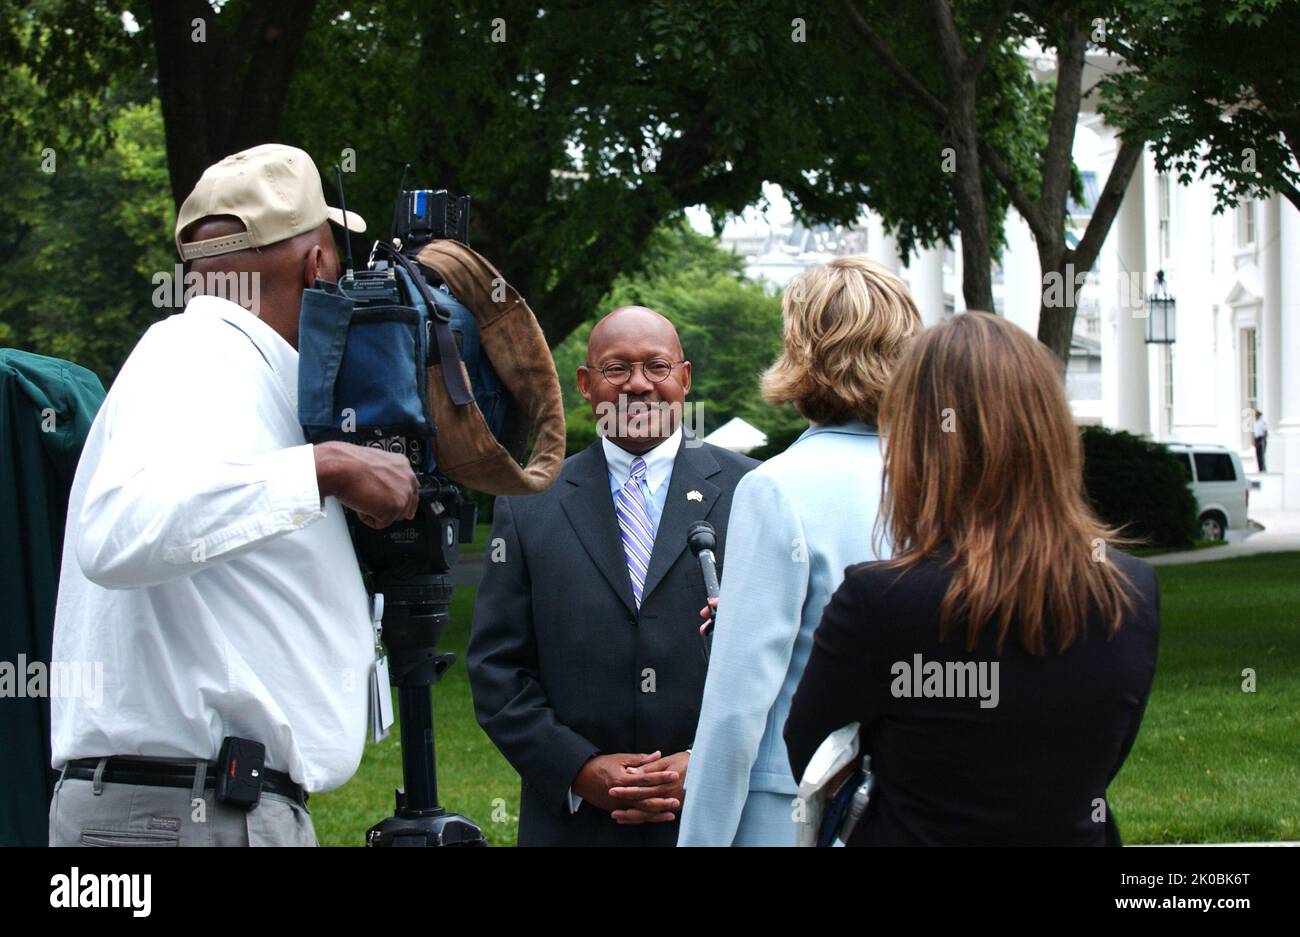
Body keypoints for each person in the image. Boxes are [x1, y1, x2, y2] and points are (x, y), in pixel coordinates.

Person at [48, 144, 421, 847]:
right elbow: (118, 531)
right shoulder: (198, 354)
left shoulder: (235, 368)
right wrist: (325, 467)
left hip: (193, 807)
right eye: (337, 255)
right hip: (186, 813)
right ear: (316, 264)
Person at [784, 312, 1161, 846]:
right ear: (1052, 432)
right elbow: (1107, 750)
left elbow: (812, 748)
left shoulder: (880, 599)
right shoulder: (1131, 589)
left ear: (919, 443)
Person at [468, 306, 757, 845]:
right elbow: (496, 669)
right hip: (574, 824)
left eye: (657, 367)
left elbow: (781, 661)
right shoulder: (529, 504)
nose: (639, 386)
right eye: (617, 369)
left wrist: (709, 761)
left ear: (685, 378)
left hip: (717, 818)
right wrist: (578, 769)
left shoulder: (755, 493)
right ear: (585, 383)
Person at [677, 256, 921, 847]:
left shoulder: (777, 487)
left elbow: (738, 706)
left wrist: (700, 839)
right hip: (916, 798)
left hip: (793, 806)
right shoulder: (944, 479)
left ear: (802, 347)